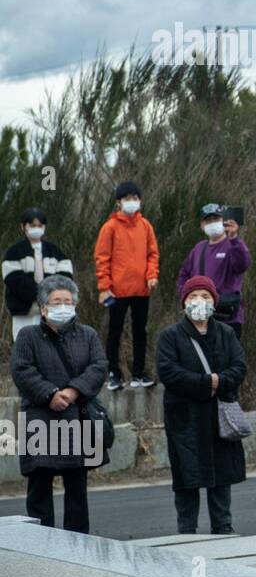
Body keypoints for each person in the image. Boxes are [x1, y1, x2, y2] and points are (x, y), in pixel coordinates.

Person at [11, 276, 108, 533]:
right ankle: (41, 544)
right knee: (39, 484)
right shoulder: (28, 335)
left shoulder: (88, 335)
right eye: (56, 301)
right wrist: (51, 393)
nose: (63, 306)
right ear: (43, 307)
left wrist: (73, 390)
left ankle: (78, 544)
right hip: (38, 418)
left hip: (77, 416)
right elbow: (22, 370)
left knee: (77, 485)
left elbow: (99, 367)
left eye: (67, 301)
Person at [156, 276, 247, 534]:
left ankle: (223, 527)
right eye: (193, 296)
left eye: (205, 296)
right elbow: (168, 372)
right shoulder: (170, 336)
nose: (199, 301)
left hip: (218, 415)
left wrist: (220, 381)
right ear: (184, 302)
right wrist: (207, 383)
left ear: (214, 302)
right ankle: (187, 531)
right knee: (187, 477)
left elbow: (239, 367)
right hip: (185, 418)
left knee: (221, 476)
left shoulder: (227, 333)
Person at [94, 181, 159, 390]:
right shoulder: (110, 227)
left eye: (135, 198)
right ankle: (114, 373)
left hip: (141, 289)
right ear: (118, 202)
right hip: (117, 291)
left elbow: (152, 254)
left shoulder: (145, 225)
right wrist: (105, 286)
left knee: (141, 331)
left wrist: (151, 275)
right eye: (127, 198)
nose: (131, 202)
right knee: (115, 331)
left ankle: (139, 373)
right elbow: (102, 258)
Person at [176, 203, 251, 338]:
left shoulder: (233, 245)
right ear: (202, 225)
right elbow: (184, 273)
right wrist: (185, 297)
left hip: (228, 316)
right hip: (200, 315)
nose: (212, 223)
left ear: (224, 221)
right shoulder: (198, 249)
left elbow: (243, 264)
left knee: (227, 357)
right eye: (208, 220)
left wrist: (234, 238)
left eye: (216, 219)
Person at [4, 207, 74, 340]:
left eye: (40, 225)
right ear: (23, 226)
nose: (36, 228)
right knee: (23, 345)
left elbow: (65, 276)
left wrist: (50, 296)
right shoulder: (14, 252)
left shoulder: (55, 251)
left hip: (52, 311)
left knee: (50, 346)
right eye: (32, 225)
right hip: (24, 311)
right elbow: (13, 279)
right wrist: (40, 294)